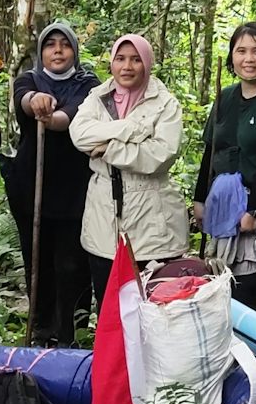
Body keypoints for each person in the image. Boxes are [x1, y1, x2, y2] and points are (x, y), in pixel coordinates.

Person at [190, 22, 256, 314]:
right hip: (224, 205)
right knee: (220, 285)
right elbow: (211, 152)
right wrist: (200, 200)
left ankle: (249, 357)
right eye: (241, 51)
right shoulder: (225, 97)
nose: (249, 59)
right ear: (232, 57)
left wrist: (255, 210)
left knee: (248, 289)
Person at [69, 33, 186, 301]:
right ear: (111, 62)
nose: (127, 66)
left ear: (147, 63)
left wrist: (109, 147)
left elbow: (160, 155)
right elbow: (80, 135)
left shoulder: (165, 103)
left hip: (153, 221)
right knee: (109, 304)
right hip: (103, 217)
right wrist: (133, 128)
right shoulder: (98, 97)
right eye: (120, 59)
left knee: (152, 307)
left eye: (136, 59)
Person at [3, 21, 97, 344]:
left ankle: (72, 334)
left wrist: (52, 117)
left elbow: (71, 118)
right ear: (41, 52)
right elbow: (22, 99)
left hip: (76, 193)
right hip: (33, 191)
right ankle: (41, 331)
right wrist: (34, 101)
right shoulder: (30, 78)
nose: (57, 50)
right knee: (38, 263)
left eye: (65, 44)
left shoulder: (89, 84)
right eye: (50, 44)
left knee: (73, 266)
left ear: (74, 51)